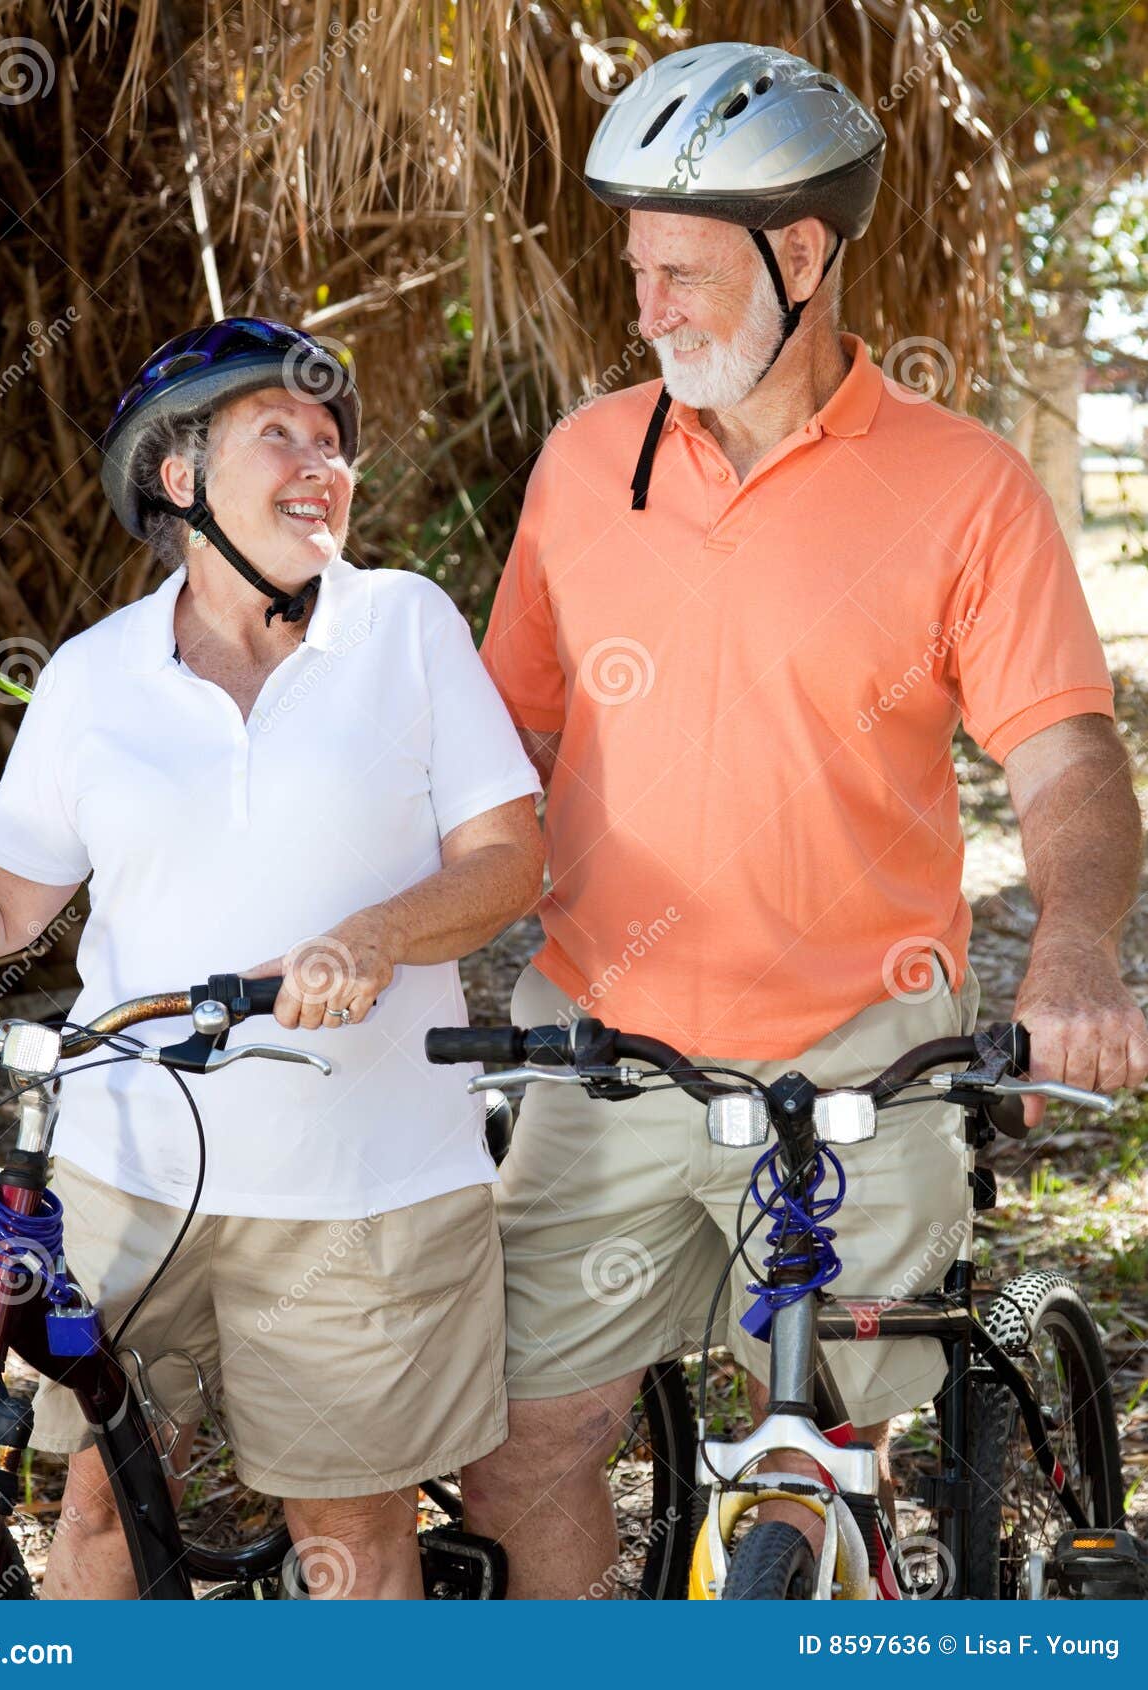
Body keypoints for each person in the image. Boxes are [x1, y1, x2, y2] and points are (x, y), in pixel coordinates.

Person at [462, 42, 1148, 1597]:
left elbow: (1063, 758)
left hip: (857, 1051)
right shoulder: (584, 462)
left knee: (813, 1456)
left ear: (801, 253)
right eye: (634, 269)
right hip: (605, 1039)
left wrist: (1078, 950)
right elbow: (503, 731)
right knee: (514, 1445)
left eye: (683, 272)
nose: (647, 307)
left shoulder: (961, 488)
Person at [0, 318, 544, 1599]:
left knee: (348, 1543)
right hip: (127, 1174)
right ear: (181, 477)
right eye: (280, 435)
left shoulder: (405, 626)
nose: (324, 462)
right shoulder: (93, 678)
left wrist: (375, 936)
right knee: (97, 1515)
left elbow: (509, 860)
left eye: (333, 441)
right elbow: (1, 898)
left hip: (358, 1189)